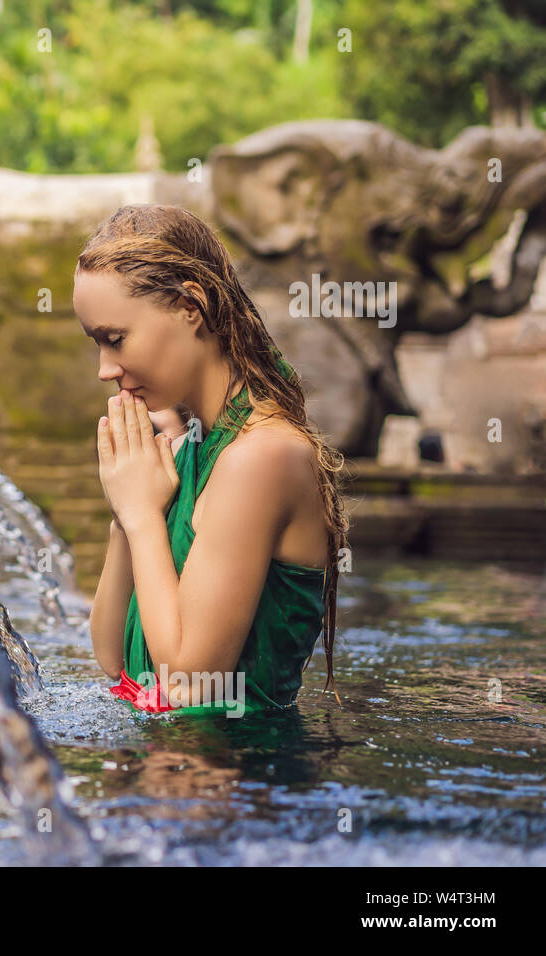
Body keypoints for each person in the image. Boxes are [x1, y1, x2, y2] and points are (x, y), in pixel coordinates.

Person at [75, 204, 348, 715]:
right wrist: (126, 514)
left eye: (115, 339)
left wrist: (141, 517)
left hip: (238, 780)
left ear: (189, 306)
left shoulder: (263, 458)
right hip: (169, 778)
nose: (105, 369)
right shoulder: (190, 452)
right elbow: (115, 661)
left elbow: (188, 685)